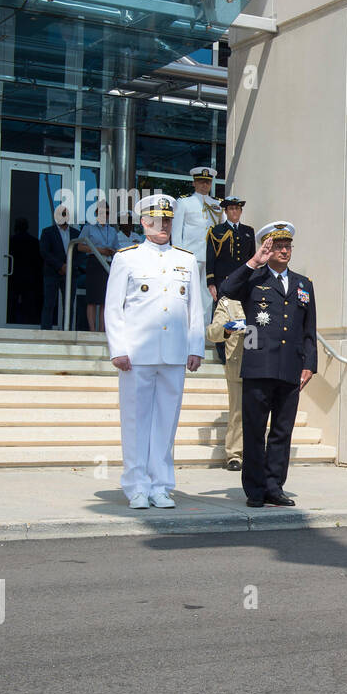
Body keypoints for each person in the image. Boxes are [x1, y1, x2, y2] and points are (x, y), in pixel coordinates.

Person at [104, 195, 205, 509]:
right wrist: (118, 348)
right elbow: (113, 307)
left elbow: (195, 309)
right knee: (136, 421)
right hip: (138, 354)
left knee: (166, 422)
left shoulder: (186, 259)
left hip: (174, 354)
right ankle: (136, 486)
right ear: (145, 223)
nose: (163, 226)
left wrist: (196, 347)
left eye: (168, 220)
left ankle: (161, 485)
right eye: (157, 220)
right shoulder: (127, 258)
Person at [218, 222, 318, 507]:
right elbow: (227, 288)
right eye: (277, 246)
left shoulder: (303, 284)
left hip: (289, 367)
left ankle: (275, 486)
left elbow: (309, 328)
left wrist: (309, 364)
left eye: (287, 247)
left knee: (282, 431)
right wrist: (252, 261)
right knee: (254, 429)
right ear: (266, 248)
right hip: (258, 365)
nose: (284, 251)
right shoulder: (254, 278)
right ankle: (255, 490)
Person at [172, 166, 222, 323]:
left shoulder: (218, 204)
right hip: (190, 254)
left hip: (210, 255)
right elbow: (176, 231)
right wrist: (178, 254)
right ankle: (186, 324)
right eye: (201, 181)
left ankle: (205, 325)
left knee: (207, 293)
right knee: (187, 290)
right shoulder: (184, 202)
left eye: (207, 182)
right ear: (194, 183)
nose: (204, 185)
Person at [206, 294, 247, 470]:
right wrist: (227, 328)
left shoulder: (269, 295)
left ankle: (257, 453)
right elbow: (212, 333)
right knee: (238, 410)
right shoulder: (228, 302)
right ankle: (235, 455)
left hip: (266, 362)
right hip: (239, 363)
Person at [205, 195, 256, 304]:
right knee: (222, 313)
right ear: (226, 211)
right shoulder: (216, 230)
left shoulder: (248, 231)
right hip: (223, 280)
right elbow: (210, 257)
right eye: (231, 209)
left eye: (237, 208)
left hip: (244, 281)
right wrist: (211, 282)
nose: (234, 211)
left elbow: (252, 257)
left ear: (241, 211)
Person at [80, 201, 121, 334]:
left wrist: (111, 251)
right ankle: (92, 330)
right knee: (92, 299)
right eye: (102, 212)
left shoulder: (113, 230)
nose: (105, 215)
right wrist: (99, 250)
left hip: (108, 264)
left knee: (105, 299)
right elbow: (80, 246)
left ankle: (102, 330)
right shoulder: (89, 227)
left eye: (108, 212)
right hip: (94, 262)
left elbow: (117, 249)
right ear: (97, 213)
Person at [39, 206, 82, 330]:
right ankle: (46, 331)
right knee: (49, 303)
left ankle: (66, 331)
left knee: (69, 305)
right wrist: (60, 266)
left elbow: (80, 254)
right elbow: (44, 252)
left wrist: (69, 266)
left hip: (70, 274)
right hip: (52, 273)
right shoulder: (47, 232)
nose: (64, 216)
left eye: (65, 213)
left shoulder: (76, 233)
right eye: (61, 213)